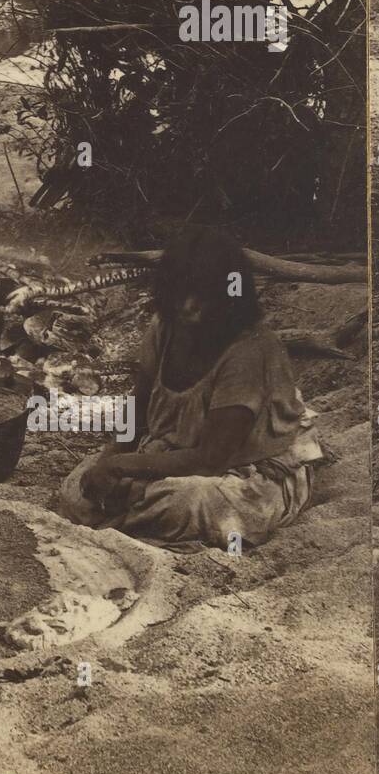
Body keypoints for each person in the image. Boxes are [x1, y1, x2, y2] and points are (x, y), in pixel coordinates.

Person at [59, 226, 322, 549]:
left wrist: (122, 466)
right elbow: (138, 405)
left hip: (241, 471)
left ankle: (134, 521)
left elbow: (211, 459)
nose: (187, 306)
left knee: (186, 502)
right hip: (172, 453)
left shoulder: (249, 350)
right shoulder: (165, 328)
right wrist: (111, 455)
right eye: (180, 293)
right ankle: (136, 519)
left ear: (229, 297)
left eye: (202, 296)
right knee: (77, 489)